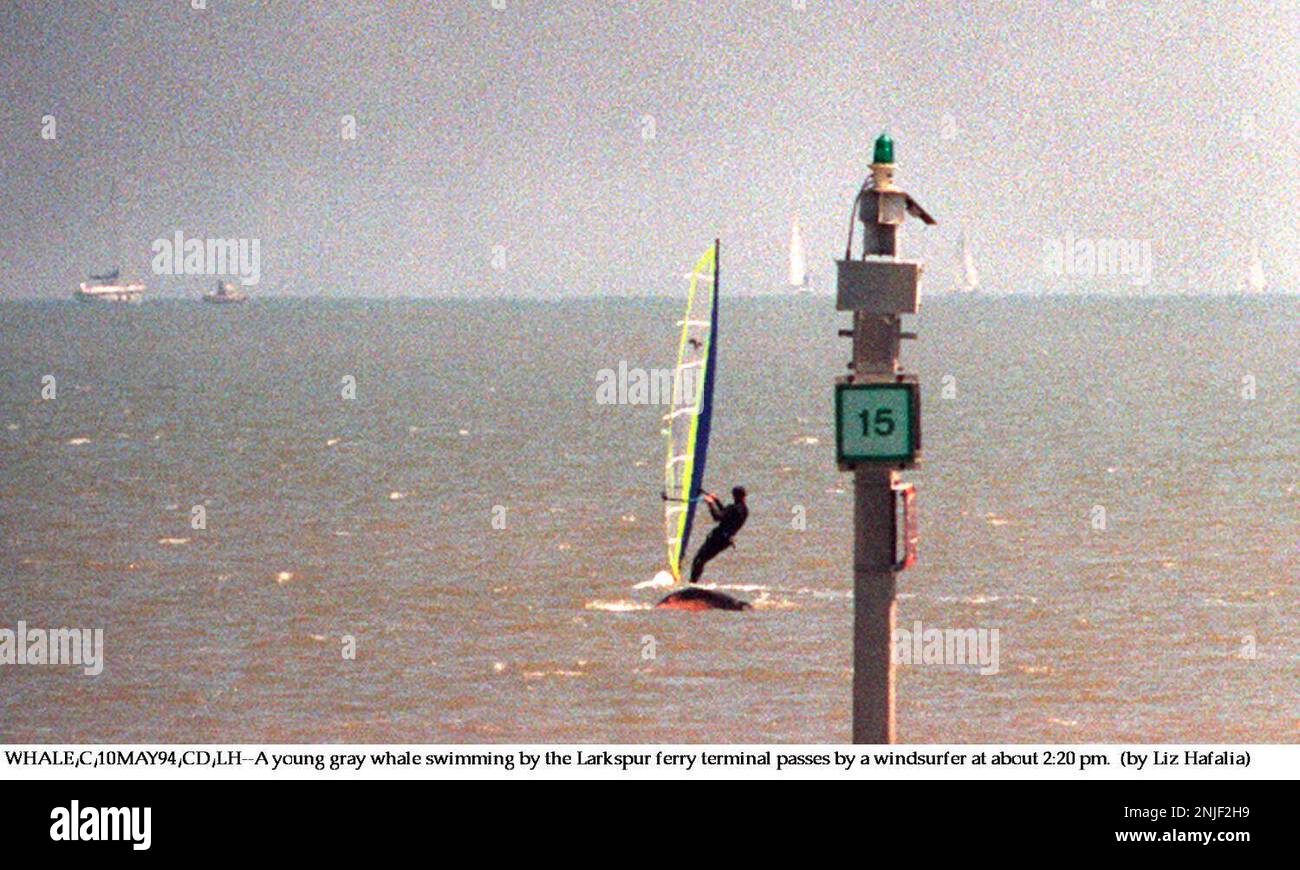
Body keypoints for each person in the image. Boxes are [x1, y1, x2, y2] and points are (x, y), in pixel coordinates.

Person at [689, 486, 747, 583]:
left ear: (733, 496)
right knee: (700, 560)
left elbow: (718, 517)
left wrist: (710, 504)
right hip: (725, 540)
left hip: (718, 539)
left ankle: (692, 585)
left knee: (699, 560)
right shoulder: (744, 510)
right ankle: (693, 583)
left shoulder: (734, 508)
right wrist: (716, 500)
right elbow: (725, 513)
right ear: (744, 496)